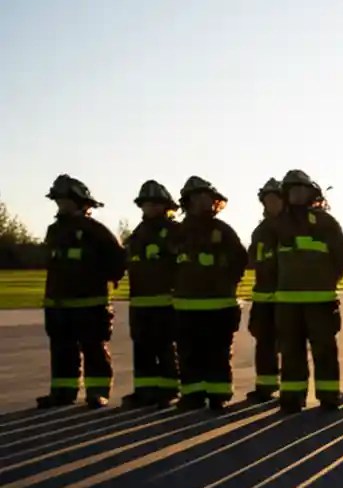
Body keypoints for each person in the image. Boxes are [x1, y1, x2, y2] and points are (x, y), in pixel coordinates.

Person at [261, 170, 343, 413]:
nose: (298, 194)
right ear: (286, 194)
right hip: (287, 302)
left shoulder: (325, 222)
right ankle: (291, 398)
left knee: (324, 350)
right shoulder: (275, 225)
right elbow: (265, 262)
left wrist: (329, 280)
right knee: (290, 352)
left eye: (302, 189)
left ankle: (329, 396)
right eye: (293, 190)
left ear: (311, 193)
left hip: (321, 300)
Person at [37, 175, 125, 409]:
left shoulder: (95, 230)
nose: (61, 204)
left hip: (91, 304)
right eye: (58, 200)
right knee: (61, 351)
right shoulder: (54, 230)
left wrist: (110, 276)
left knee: (94, 349)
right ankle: (62, 393)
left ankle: (97, 392)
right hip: (58, 304)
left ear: (80, 202)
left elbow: (117, 258)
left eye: (65, 200)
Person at [171, 176, 248, 411]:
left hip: (219, 306)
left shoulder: (222, 231)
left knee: (218, 353)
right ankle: (192, 396)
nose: (203, 202)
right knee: (188, 353)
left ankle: (218, 395)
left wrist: (224, 281)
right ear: (188, 202)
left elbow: (240, 260)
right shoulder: (178, 232)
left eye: (207, 197)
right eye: (198, 197)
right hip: (186, 306)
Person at [122, 180, 181, 408]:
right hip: (139, 302)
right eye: (146, 203)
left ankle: (168, 391)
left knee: (165, 348)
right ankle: (144, 391)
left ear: (165, 206)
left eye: (155, 203)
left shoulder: (174, 231)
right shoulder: (139, 232)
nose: (150, 208)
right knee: (142, 348)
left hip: (166, 302)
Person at [246, 178, 284, 403]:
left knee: (289, 344)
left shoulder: (289, 227)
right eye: (267, 200)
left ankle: (291, 387)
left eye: (275, 199)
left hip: (286, 297)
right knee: (264, 343)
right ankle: (265, 386)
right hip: (263, 297)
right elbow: (252, 259)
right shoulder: (259, 231)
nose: (271, 204)